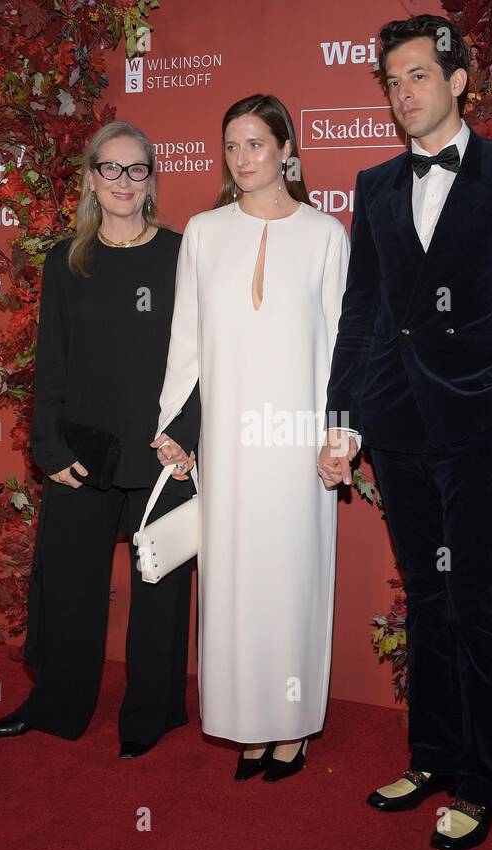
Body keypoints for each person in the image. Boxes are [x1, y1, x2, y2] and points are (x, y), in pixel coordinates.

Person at [319, 15, 492, 850]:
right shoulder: (377, 185)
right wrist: (342, 420)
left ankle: (483, 779)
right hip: (396, 426)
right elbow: (361, 313)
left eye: (418, 76)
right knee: (424, 599)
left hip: (477, 425)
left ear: (458, 81)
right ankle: (430, 753)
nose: (404, 93)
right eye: (392, 81)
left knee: (471, 602)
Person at [0, 120, 200, 757]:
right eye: (112, 169)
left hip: (161, 455)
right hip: (82, 453)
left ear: (151, 179)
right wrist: (48, 448)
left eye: (137, 170)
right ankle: (56, 706)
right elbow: (52, 363)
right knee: (70, 588)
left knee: (159, 596)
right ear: (92, 178)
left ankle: (151, 717)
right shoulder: (66, 259)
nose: (124, 182)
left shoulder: (182, 255)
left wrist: (186, 436)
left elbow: (204, 359)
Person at [154, 94, 349, 782]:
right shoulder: (204, 233)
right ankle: (245, 722)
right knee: (234, 584)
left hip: (297, 442)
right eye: (232, 147)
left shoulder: (327, 235)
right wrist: (173, 427)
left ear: (288, 151)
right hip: (231, 444)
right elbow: (186, 341)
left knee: (292, 578)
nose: (242, 160)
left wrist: (340, 438)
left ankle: (291, 727)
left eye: (256, 145)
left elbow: (338, 349)